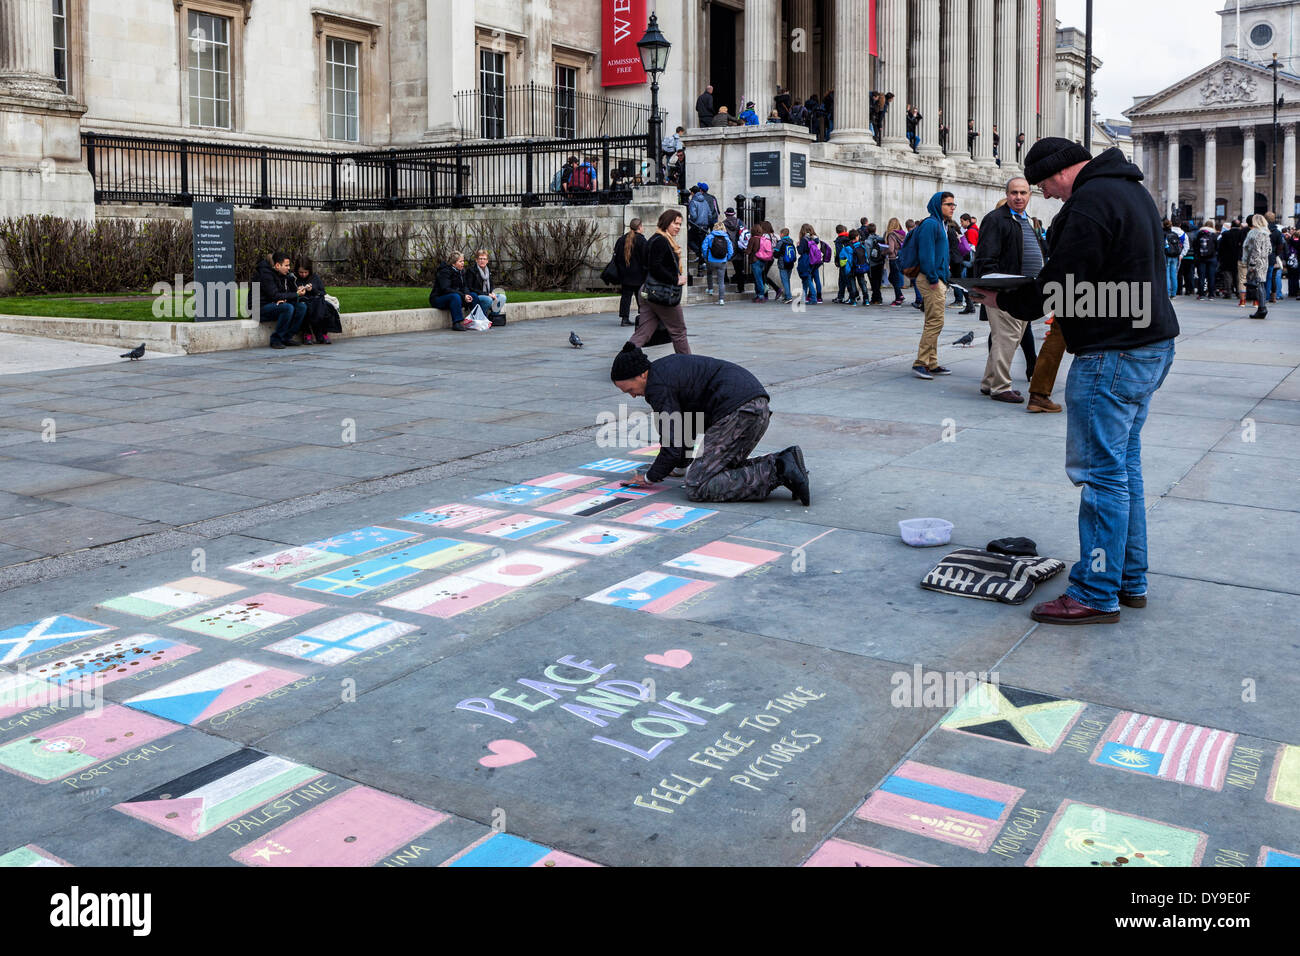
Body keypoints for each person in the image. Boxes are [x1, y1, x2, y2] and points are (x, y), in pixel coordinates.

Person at [975, 137, 1180, 625]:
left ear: (1064, 170)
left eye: (1045, 183)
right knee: (1124, 469)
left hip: (1112, 352)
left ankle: (1095, 591)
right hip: (1151, 344)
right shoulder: (1131, 190)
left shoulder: (1089, 203)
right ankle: (1129, 580)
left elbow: (1061, 284)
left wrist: (1004, 301)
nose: (1045, 194)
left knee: (1101, 475)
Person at [610, 344, 810, 506]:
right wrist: (679, 467)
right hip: (755, 407)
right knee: (719, 471)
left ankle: (780, 469)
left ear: (642, 375)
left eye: (630, 389)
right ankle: (785, 462)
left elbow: (673, 442)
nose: (633, 395)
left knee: (697, 485)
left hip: (738, 412)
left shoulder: (657, 386)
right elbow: (685, 425)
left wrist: (649, 478)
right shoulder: (665, 372)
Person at [973, 177, 1048, 404]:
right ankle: (1000, 386)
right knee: (1007, 338)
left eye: (1023, 193)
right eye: (1014, 192)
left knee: (1006, 339)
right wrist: (996, 289)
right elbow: (986, 258)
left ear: (1029, 195)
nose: (1018, 197)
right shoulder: (996, 219)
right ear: (1007, 194)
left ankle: (989, 382)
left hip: (1025, 290)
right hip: (1006, 291)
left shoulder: (1027, 220)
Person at [629, 209, 691, 353]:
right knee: (679, 331)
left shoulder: (656, 239)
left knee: (643, 332)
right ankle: (689, 366)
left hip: (648, 291)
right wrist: (676, 279)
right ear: (666, 222)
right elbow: (655, 267)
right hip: (661, 293)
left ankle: (624, 360)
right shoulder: (661, 241)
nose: (678, 227)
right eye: (675, 223)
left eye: (680, 224)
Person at [909, 193, 957, 379]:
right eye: (948, 204)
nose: (953, 207)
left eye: (954, 204)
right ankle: (921, 363)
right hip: (931, 279)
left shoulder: (940, 224)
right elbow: (926, 254)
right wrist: (933, 278)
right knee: (936, 321)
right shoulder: (931, 224)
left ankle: (932, 362)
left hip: (938, 277)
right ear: (938, 205)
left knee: (933, 321)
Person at [256, 252, 307, 350]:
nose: (288, 268)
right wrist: (295, 294)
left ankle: (286, 337)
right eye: (286, 265)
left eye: (289, 265)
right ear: (277, 265)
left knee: (301, 307)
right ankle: (276, 340)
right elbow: (274, 295)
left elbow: (284, 293)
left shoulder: (282, 274)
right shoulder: (265, 275)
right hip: (258, 308)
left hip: (273, 304)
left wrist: (298, 290)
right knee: (287, 308)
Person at [429, 252, 478, 330]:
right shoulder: (444, 272)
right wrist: (463, 296)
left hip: (456, 296)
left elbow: (465, 286)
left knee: (473, 295)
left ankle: (476, 320)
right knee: (455, 296)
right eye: (460, 261)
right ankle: (457, 323)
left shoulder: (461, 271)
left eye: (463, 261)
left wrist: (467, 294)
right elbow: (446, 289)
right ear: (453, 263)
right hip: (439, 298)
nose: (463, 263)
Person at [294, 258, 338, 344]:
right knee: (306, 308)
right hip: (303, 300)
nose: (303, 274)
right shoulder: (294, 279)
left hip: (316, 300)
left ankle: (322, 332)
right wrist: (298, 291)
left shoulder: (315, 278)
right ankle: (308, 333)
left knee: (325, 307)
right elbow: (291, 293)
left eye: (306, 272)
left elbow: (322, 292)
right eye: (301, 272)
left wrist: (312, 289)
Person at [614, 219, 648, 327]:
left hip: (626, 274)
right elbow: (646, 258)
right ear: (639, 227)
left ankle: (624, 319)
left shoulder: (622, 239)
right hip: (639, 274)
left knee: (626, 296)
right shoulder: (642, 241)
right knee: (641, 297)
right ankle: (643, 317)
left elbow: (617, 257)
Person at [465, 249, 507, 326]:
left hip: (487, 294)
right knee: (488, 299)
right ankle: (482, 317)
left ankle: (493, 317)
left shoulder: (488, 270)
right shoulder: (471, 271)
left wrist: (492, 293)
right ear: (476, 260)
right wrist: (487, 294)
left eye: (484, 259)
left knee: (502, 297)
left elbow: (491, 285)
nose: (482, 261)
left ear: (487, 261)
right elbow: (470, 287)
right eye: (480, 259)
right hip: (477, 295)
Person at [1242, 213, 1271, 318]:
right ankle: (1261, 308)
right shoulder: (1266, 233)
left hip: (1255, 262)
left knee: (1258, 286)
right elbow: (1269, 250)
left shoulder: (1255, 233)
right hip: (1264, 262)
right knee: (1261, 284)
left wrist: (1252, 264)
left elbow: (1255, 250)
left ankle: (1262, 308)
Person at [686, 183, 719, 276]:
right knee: (701, 243)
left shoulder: (693, 201)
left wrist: (691, 220)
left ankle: (699, 254)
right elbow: (709, 215)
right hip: (704, 226)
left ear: (693, 192)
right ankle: (701, 262)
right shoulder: (704, 201)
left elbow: (693, 215)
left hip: (696, 225)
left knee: (688, 239)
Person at [703, 218, 734, 305]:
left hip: (711, 260)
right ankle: (721, 300)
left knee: (709, 273)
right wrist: (727, 258)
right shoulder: (726, 238)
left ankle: (710, 289)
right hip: (722, 261)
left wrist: (706, 257)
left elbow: (704, 248)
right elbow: (731, 250)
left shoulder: (709, 236)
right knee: (721, 281)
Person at [796, 223, 826, 304]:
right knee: (806, 279)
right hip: (813, 261)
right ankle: (805, 298)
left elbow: (800, 251)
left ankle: (813, 298)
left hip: (806, 260)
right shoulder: (813, 239)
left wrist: (798, 246)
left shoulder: (804, 240)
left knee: (807, 279)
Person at [723, 206, 749, 296]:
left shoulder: (724, 223)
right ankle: (741, 287)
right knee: (739, 269)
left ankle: (725, 279)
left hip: (729, 248)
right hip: (740, 247)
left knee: (726, 264)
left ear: (726, 214)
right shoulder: (740, 222)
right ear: (733, 214)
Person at [1192, 221, 1219, 301]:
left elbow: (1195, 246)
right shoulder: (1214, 235)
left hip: (1201, 258)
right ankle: (1211, 295)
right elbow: (1217, 246)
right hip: (1212, 257)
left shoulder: (1199, 234)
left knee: (1201, 276)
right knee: (1211, 276)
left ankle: (1201, 294)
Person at [750, 221, 775, 301]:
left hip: (758, 258)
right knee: (762, 276)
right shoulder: (773, 236)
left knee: (760, 278)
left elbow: (750, 250)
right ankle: (763, 294)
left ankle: (762, 295)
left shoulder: (758, 237)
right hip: (767, 258)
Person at [885, 217, 906, 305]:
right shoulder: (903, 234)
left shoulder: (891, 235)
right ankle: (900, 295)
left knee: (894, 278)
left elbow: (891, 249)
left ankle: (898, 298)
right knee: (893, 277)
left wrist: (883, 251)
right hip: (901, 258)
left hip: (893, 258)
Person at [774, 227, 796, 302]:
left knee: (785, 281)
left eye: (780, 233)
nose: (780, 235)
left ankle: (788, 297)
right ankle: (787, 295)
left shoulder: (781, 242)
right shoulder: (791, 242)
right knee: (787, 280)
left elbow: (776, 254)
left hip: (782, 264)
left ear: (782, 234)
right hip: (790, 263)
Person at [1161, 219, 1182, 297]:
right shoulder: (1174, 234)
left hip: (1166, 255)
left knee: (1167, 274)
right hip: (1175, 255)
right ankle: (1174, 292)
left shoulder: (1162, 233)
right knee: (1173, 274)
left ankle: (1168, 292)